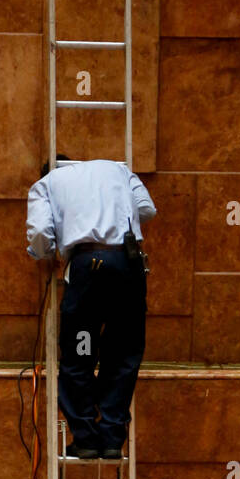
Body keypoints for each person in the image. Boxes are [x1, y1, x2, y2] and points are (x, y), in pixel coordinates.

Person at [25, 157, 156, 459]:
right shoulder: (117, 169)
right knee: (122, 354)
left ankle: (85, 436)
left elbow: (41, 236)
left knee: (80, 352)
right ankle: (111, 437)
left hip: (89, 269)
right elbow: (147, 209)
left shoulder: (46, 184)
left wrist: (53, 244)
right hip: (128, 266)